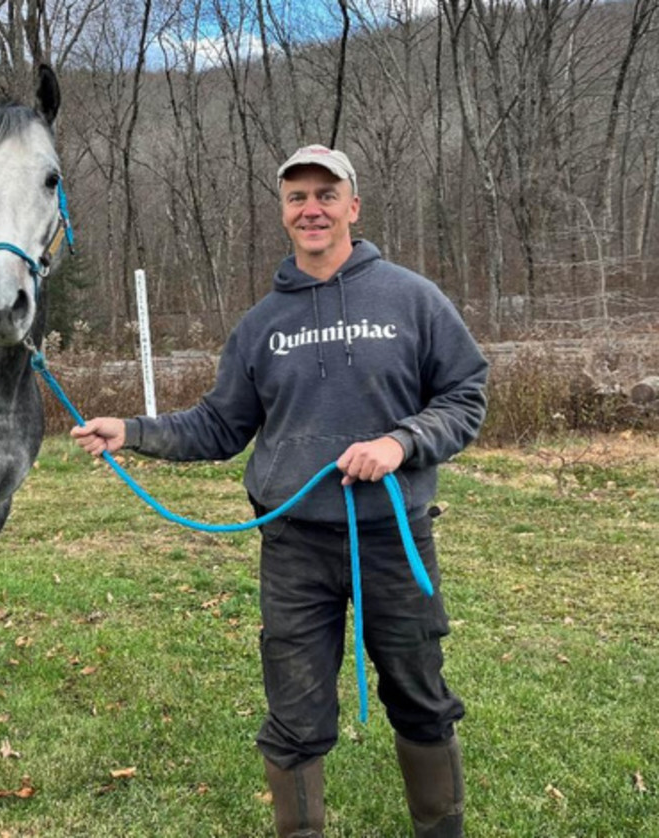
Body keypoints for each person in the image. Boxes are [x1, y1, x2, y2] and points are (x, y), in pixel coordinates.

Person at [71, 145, 487, 837]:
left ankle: (440, 828)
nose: (312, 208)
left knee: (420, 697)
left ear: (353, 206)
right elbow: (218, 424)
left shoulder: (413, 299)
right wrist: (133, 432)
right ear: (284, 213)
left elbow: (466, 393)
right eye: (298, 197)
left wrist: (400, 442)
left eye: (327, 194)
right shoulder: (261, 324)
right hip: (295, 546)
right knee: (294, 714)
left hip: (393, 537)